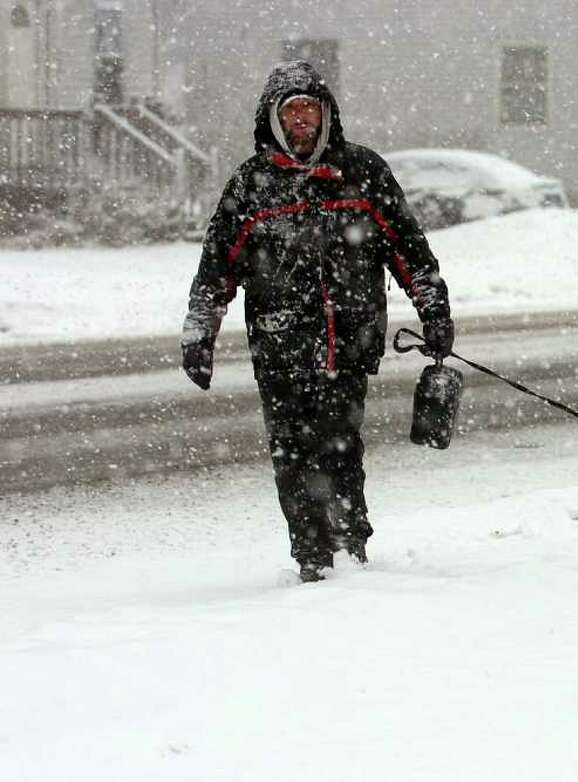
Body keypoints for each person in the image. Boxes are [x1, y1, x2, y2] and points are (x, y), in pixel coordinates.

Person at [181, 61, 454, 582]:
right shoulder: (252, 185)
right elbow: (217, 265)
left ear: (326, 115)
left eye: (309, 110)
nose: (301, 122)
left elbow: (410, 252)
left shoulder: (363, 173)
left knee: (341, 445)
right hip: (279, 347)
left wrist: (434, 310)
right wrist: (200, 333)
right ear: (274, 121)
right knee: (292, 453)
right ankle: (312, 556)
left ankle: (351, 545)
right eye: (291, 113)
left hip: (348, 345)